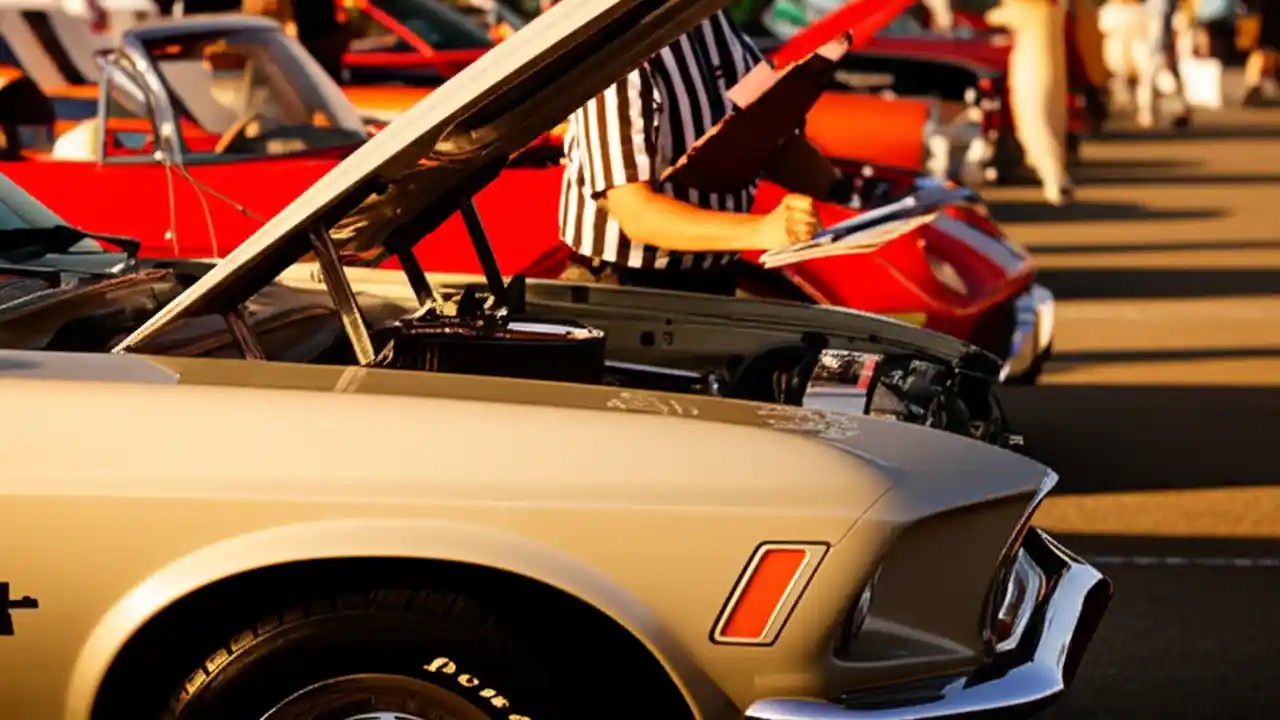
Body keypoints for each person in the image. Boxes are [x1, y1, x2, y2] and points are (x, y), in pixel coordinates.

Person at [557, 8, 845, 296]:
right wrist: (762, 230)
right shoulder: (620, 38)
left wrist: (849, 198)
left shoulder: (711, 22)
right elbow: (635, 213)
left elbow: (770, 137)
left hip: (713, 280)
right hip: (624, 289)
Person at [985, 0, 1074, 206]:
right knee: (1052, 125)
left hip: (1031, 71)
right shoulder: (1055, 7)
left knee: (1035, 125)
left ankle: (1054, 180)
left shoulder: (1029, 9)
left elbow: (994, 16)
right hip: (1053, 70)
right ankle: (1055, 176)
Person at [1242, 0, 1279, 106]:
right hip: (1263, 15)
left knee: (1261, 51)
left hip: (1263, 13)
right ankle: (1253, 87)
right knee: (1261, 51)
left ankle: (1253, 87)